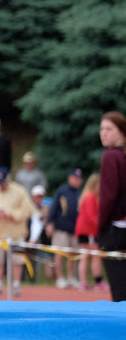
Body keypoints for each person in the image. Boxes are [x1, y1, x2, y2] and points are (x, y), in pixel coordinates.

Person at [0, 167, 35, 297]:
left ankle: (16, 285)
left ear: (8, 179)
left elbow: (26, 211)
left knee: (17, 261)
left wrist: (11, 214)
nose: (1, 184)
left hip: (15, 233)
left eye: (3, 181)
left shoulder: (20, 191)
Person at [96, 111, 126, 301]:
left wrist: (100, 229)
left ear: (122, 132)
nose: (103, 133)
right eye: (101, 129)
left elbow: (108, 198)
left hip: (116, 231)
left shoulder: (111, 157)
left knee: (120, 292)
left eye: (109, 129)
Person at [46, 167, 83, 289]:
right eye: (74, 178)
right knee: (60, 253)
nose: (76, 180)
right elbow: (54, 208)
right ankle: (60, 278)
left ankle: (71, 277)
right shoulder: (62, 191)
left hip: (74, 229)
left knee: (73, 254)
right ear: (69, 178)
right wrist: (50, 223)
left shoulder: (79, 193)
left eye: (78, 178)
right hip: (61, 228)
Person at [74, 173, 105, 291]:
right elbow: (92, 217)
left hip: (84, 230)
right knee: (95, 255)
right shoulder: (90, 197)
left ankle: (83, 282)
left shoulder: (87, 196)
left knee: (86, 256)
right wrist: (102, 226)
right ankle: (97, 281)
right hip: (88, 231)